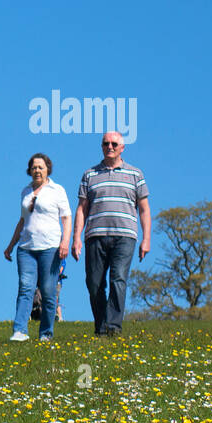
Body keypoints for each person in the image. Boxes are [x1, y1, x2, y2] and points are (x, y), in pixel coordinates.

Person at [71, 131, 151, 336]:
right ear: (101, 146)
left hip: (125, 236)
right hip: (95, 235)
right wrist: (76, 238)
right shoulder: (90, 175)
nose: (110, 147)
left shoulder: (135, 174)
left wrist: (146, 239)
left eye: (114, 144)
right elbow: (82, 208)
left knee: (119, 279)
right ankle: (101, 327)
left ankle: (113, 327)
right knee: (94, 283)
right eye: (106, 143)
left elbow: (144, 209)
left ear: (122, 148)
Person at [4, 153, 71, 341]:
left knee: (48, 292)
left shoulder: (57, 190)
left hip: (50, 247)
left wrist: (65, 241)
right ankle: (19, 331)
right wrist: (10, 246)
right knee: (25, 288)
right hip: (26, 248)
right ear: (29, 171)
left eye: (41, 167)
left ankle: (46, 333)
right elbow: (23, 220)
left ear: (48, 168)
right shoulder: (25, 192)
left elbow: (66, 218)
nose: (37, 170)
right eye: (34, 167)